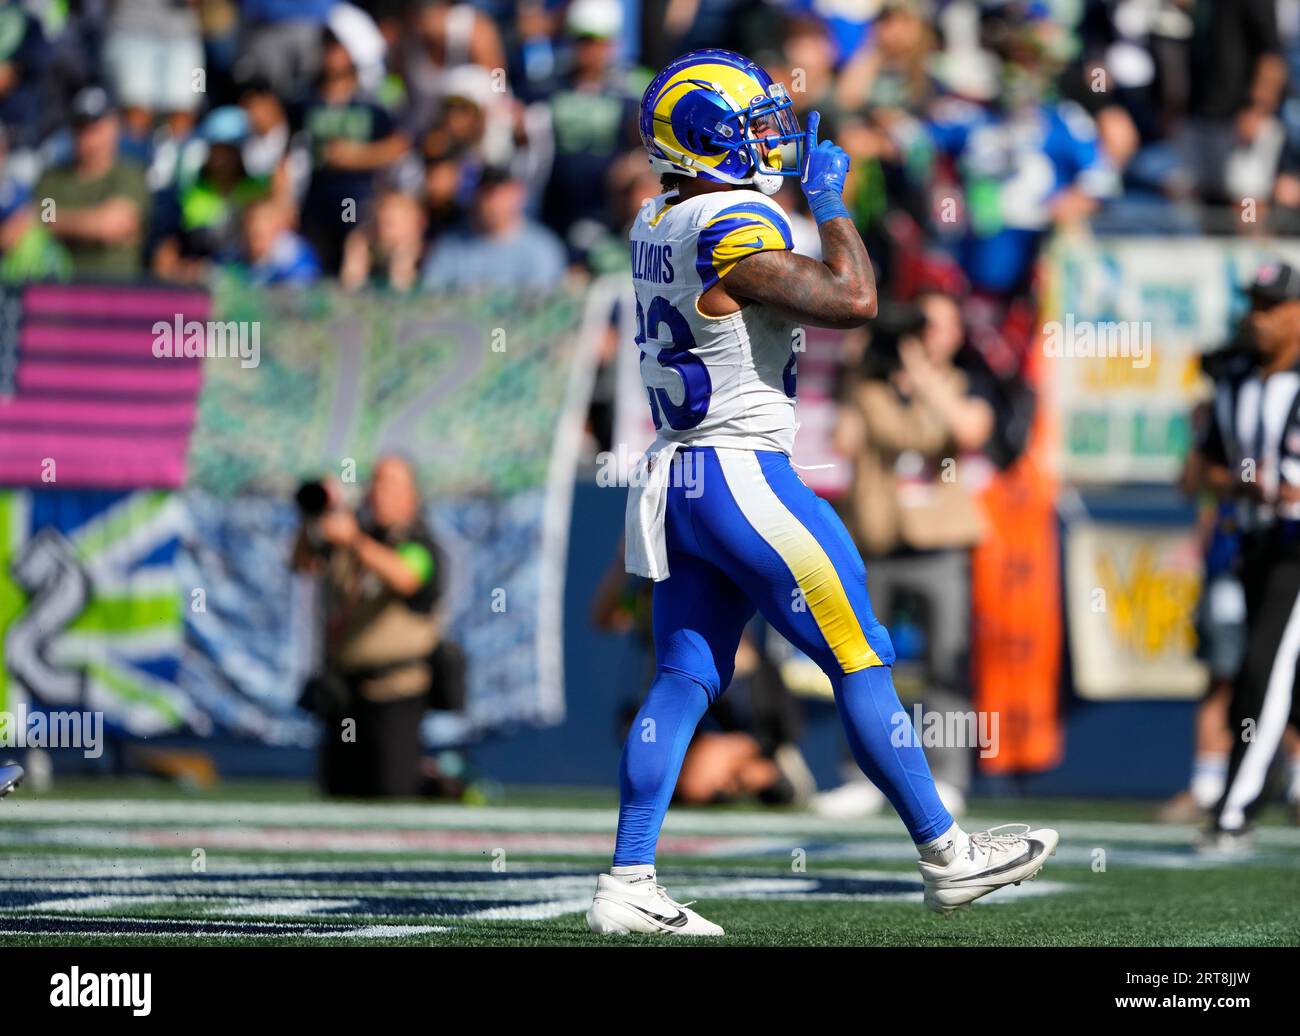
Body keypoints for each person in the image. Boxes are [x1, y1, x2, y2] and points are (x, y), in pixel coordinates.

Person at [585, 48, 1058, 938]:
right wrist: (834, 202)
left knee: (686, 675)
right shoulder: (732, 220)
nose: (770, 136)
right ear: (707, 139)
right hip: (742, 476)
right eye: (750, 123)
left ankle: (628, 876)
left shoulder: (656, 215)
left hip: (677, 479)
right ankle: (946, 853)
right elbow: (854, 299)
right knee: (858, 654)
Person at [1196, 261, 1300, 849]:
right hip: (1255, 543)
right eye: (1254, 305)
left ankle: (1235, 807)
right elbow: (1201, 466)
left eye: (1271, 306)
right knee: (1280, 674)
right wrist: (1241, 482)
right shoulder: (1235, 380)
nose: (1258, 319)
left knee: (1263, 670)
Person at [291, 456, 445, 798]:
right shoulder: (352, 534)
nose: (377, 491)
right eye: (374, 481)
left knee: (391, 789)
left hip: (394, 692)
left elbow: (406, 577)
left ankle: (441, 780)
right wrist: (314, 518)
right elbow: (303, 564)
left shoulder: (418, 541)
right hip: (345, 694)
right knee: (340, 790)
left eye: (389, 483)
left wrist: (354, 540)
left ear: (411, 495)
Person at [35, 86, 151, 279]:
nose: (88, 137)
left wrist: (59, 221)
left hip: (116, 295)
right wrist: (92, 221)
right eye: (80, 128)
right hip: (58, 293)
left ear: (114, 127)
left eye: (95, 127)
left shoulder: (130, 175)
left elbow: (113, 224)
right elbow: (39, 220)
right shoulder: (52, 178)